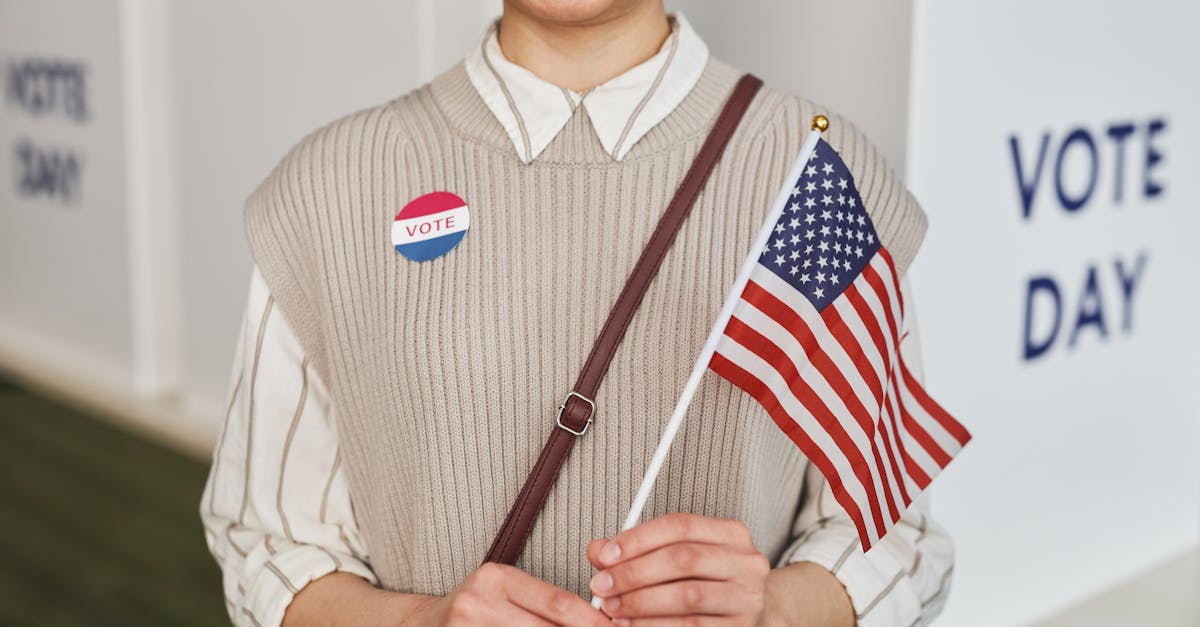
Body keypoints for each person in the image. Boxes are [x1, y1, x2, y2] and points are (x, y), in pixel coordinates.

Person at [200, 1, 957, 625]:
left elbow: (898, 541)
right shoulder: (331, 189)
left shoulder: (815, 170)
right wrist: (420, 623)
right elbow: (268, 542)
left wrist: (777, 608)